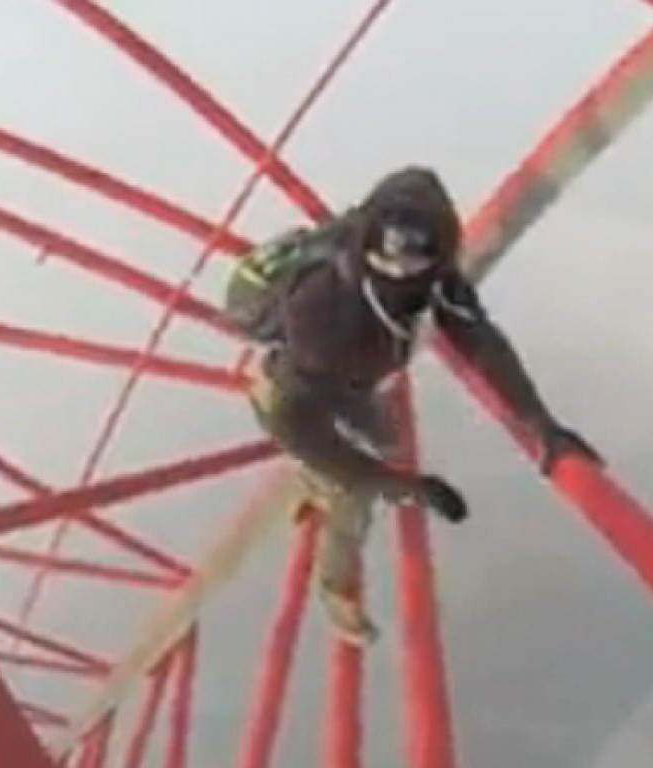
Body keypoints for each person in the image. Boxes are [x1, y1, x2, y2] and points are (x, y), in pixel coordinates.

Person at [224, 166, 602, 645]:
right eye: (389, 257)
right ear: (369, 244)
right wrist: (394, 483)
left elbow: (478, 339)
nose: (401, 269)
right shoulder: (323, 309)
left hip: (353, 376)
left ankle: (364, 463)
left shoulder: (432, 267)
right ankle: (338, 592)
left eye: (417, 258)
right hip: (295, 394)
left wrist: (541, 424)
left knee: (384, 436)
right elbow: (297, 426)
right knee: (349, 492)